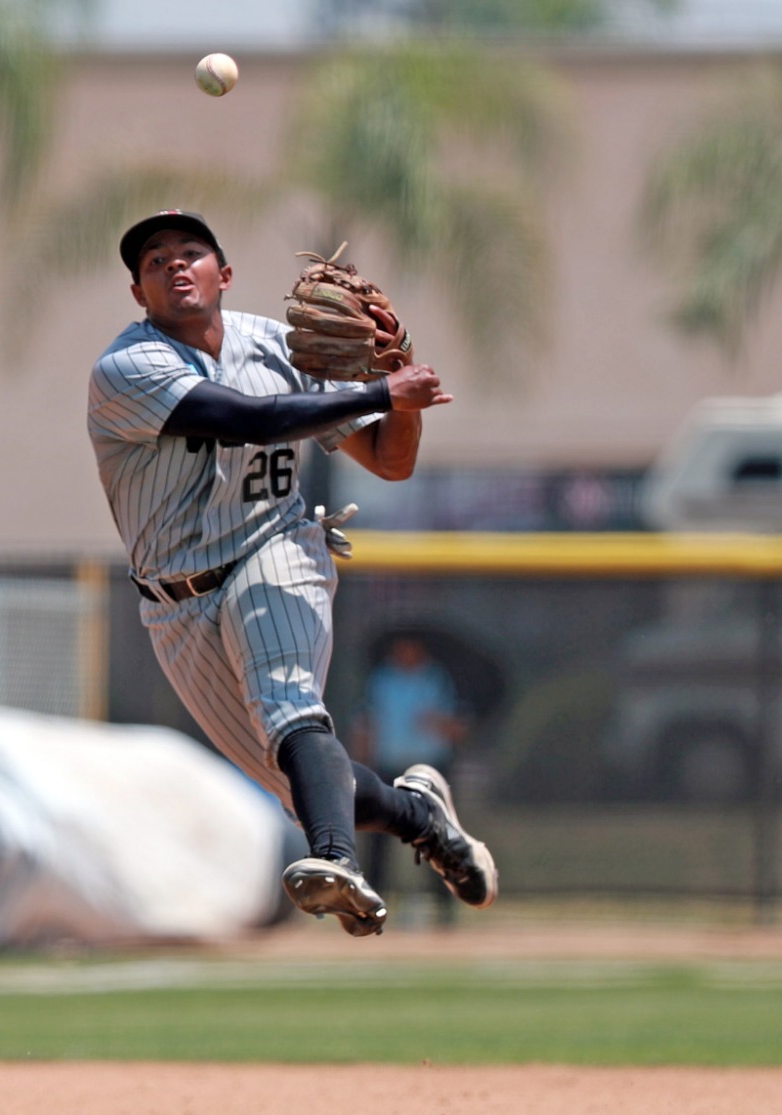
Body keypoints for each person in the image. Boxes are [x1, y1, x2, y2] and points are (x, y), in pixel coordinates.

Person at [86, 210, 497, 937]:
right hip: (175, 605)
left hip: (275, 549)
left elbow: (391, 461)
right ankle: (418, 816)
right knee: (303, 781)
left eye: (191, 253)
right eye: (155, 262)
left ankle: (336, 859)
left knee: (289, 706)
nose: (175, 266)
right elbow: (249, 418)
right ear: (137, 291)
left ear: (225, 274)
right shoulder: (126, 368)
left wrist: (393, 377)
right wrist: (379, 392)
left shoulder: (277, 347)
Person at [354, 635, 467, 925]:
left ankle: (445, 907)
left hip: (427, 769)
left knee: (436, 837)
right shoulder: (382, 680)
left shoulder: (436, 680)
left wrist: (437, 720)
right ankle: (372, 906)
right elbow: (368, 722)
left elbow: (457, 725)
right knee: (379, 838)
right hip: (388, 767)